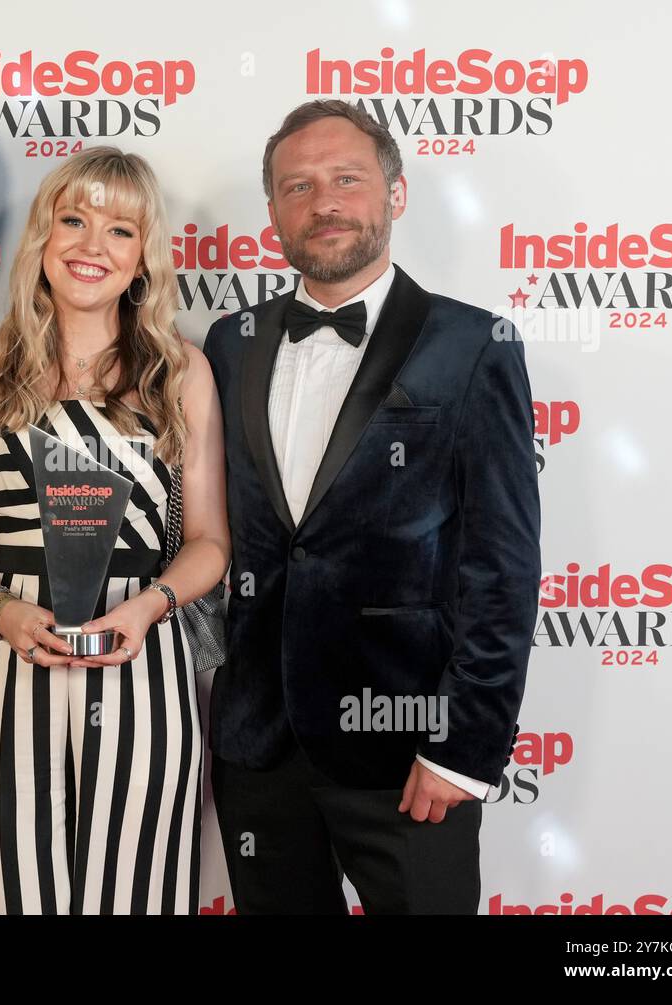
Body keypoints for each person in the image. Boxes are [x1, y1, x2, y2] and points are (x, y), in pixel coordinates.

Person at [204, 99, 540, 914]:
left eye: (346, 179)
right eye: (298, 186)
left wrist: (464, 749)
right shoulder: (229, 341)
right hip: (260, 751)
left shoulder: (472, 345)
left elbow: (502, 566)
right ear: (275, 208)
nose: (323, 202)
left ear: (394, 193)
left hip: (410, 753)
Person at [0, 146, 230, 914]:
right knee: (13, 897)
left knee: (135, 897)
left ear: (143, 260)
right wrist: (0, 610)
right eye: (73, 219)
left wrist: (147, 607)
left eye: (120, 230)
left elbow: (210, 543)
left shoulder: (181, 373)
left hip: (145, 664)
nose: (92, 245)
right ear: (43, 237)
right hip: (11, 671)